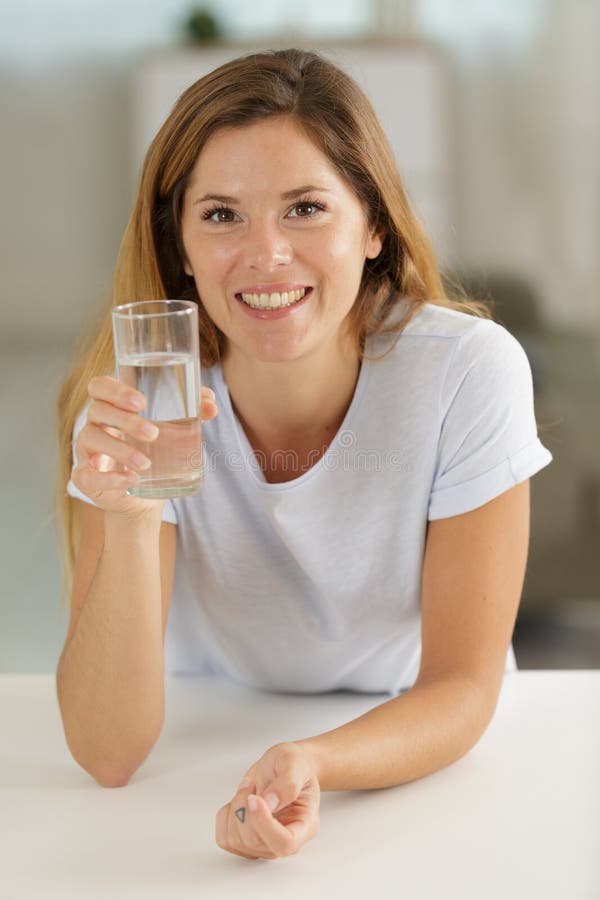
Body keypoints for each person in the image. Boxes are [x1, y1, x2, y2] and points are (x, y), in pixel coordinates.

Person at [56, 48, 552, 861]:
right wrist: (132, 512)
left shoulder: (467, 371)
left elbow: (462, 688)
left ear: (374, 227)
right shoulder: (142, 402)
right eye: (220, 214)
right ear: (178, 242)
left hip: (413, 743)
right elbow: (109, 754)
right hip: (208, 725)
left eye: (306, 208)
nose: (267, 255)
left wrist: (315, 761)